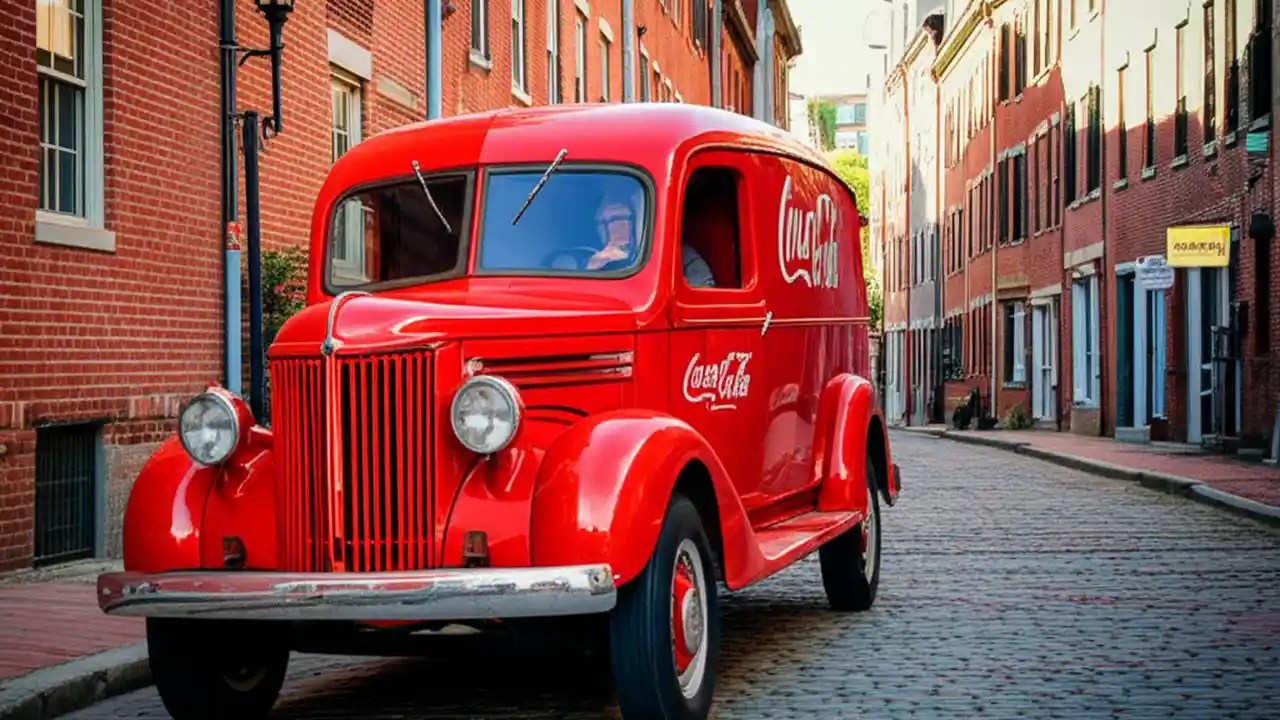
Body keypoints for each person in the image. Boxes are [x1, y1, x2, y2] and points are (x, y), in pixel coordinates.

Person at [586, 189, 716, 288]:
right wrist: (593, 270)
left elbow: (705, 292)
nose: (609, 227)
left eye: (617, 218)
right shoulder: (583, 260)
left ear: (636, 219)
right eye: (601, 222)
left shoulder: (678, 254)